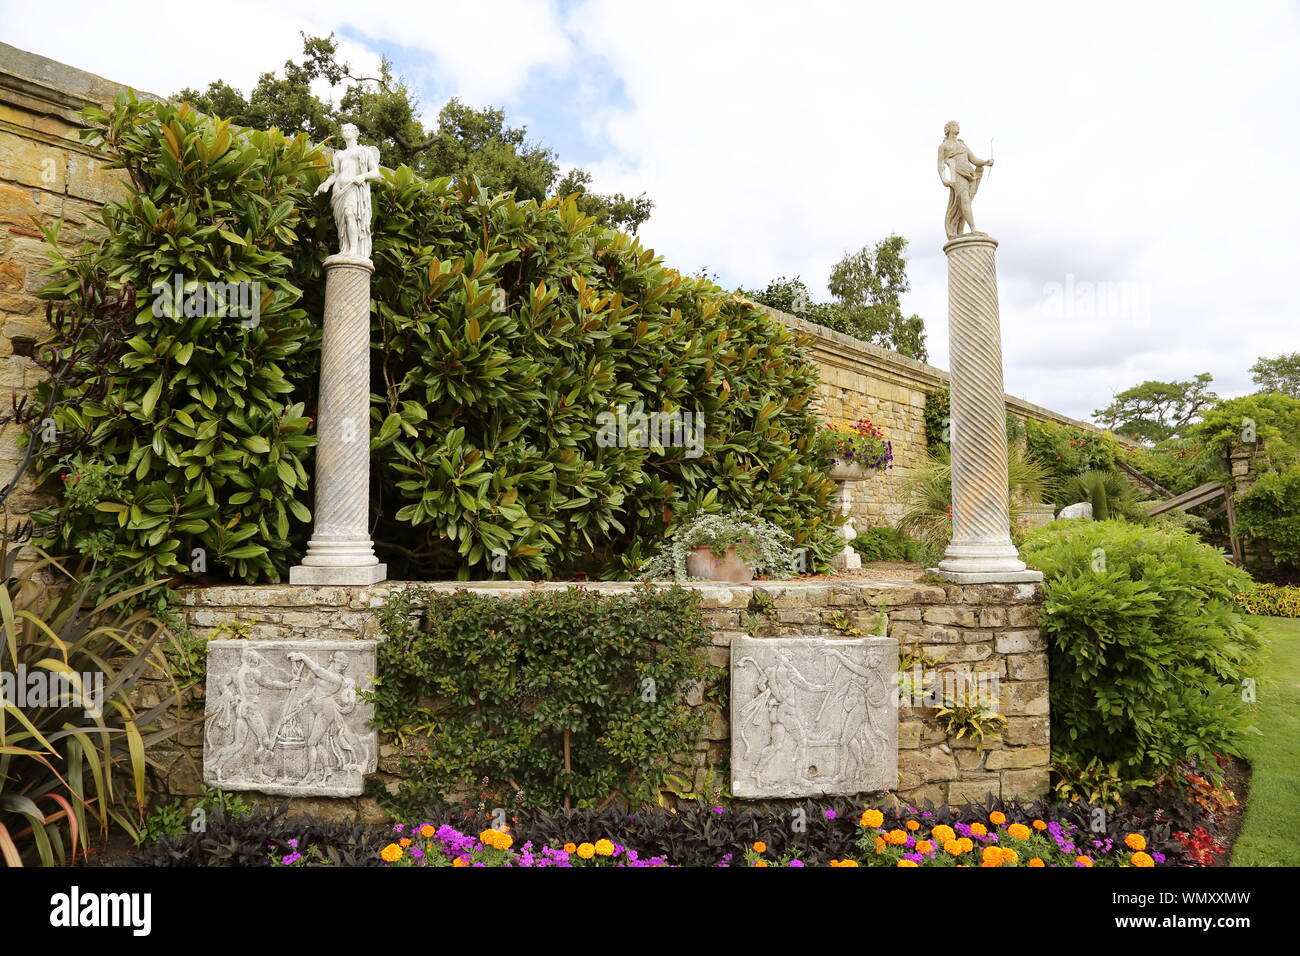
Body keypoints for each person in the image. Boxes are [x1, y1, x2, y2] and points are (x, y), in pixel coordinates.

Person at [315, 122, 382, 258]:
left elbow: (376, 173)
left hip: (354, 188)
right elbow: (335, 174)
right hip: (339, 191)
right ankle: (345, 249)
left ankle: (353, 250)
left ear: (356, 133)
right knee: (343, 221)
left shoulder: (364, 151)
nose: (346, 132)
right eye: (344, 130)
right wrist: (327, 184)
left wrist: (363, 176)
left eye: (349, 129)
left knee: (350, 214)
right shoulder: (339, 155)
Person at [937, 121, 994, 239]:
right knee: (964, 199)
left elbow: (973, 159)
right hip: (956, 173)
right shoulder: (943, 146)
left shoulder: (963, 145)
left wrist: (986, 162)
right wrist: (944, 179)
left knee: (965, 203)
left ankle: (960, 231)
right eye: (954, 125)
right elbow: (940, 164)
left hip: (969, 174)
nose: (957, 127)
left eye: (958, 125)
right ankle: (973, 229)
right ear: (948, 129)